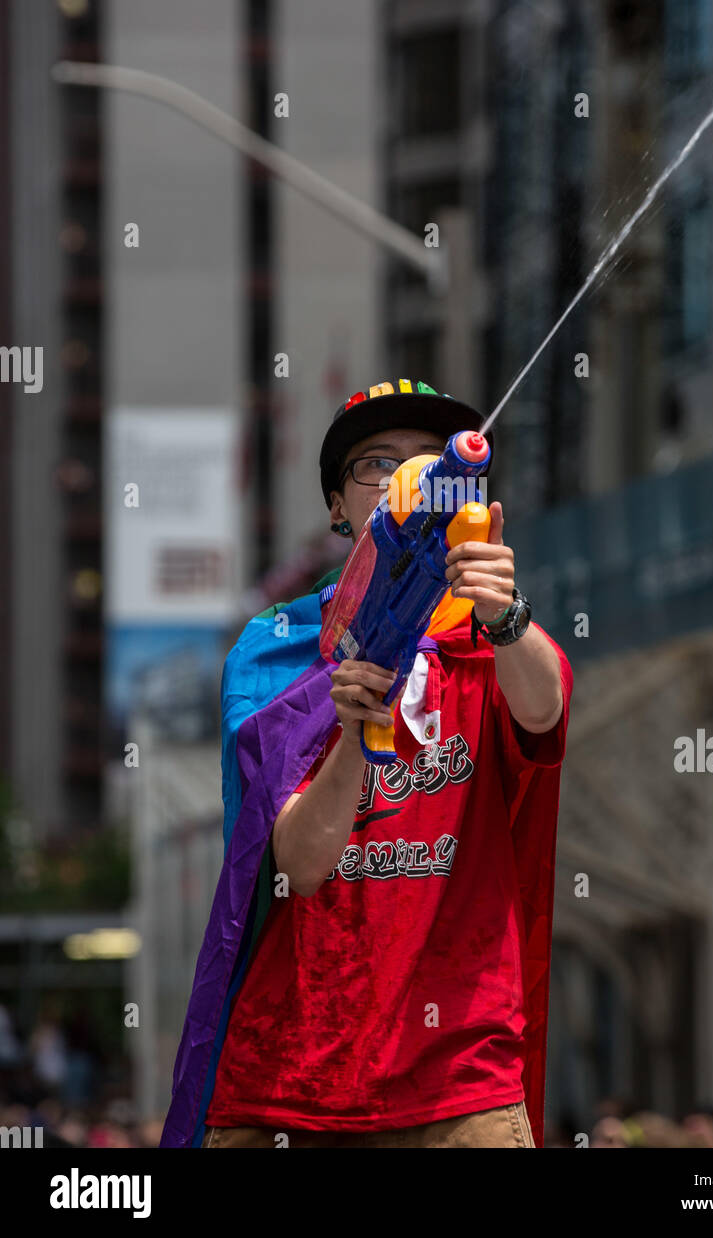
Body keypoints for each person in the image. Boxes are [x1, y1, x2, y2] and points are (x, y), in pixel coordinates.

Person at [161, 379, 573, 1149]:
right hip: (291, 1084)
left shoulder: (492, 638)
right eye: (377, 464)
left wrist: (504, 614)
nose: (406, 479)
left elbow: (545, 712)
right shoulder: (276, 651)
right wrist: (354, 733)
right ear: (337, 507)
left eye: (428, 464)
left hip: (459, 1077)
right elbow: (299, 865)